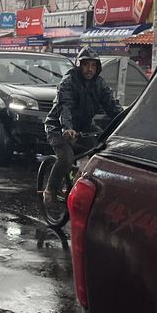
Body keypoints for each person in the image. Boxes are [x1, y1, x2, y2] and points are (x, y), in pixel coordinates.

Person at [43, 48, 123, 209]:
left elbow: (112, 106)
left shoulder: (99, 83)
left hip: (85, 127)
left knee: (102, 149)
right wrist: (68, 128)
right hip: (58, 127)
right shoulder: (68, 82)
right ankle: (50, 190)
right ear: (79, 65)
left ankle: (79, 178)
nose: (90, 69)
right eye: (86, 65)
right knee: (66, 158)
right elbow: (65, 107)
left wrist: (125, 121)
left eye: (93, 65)